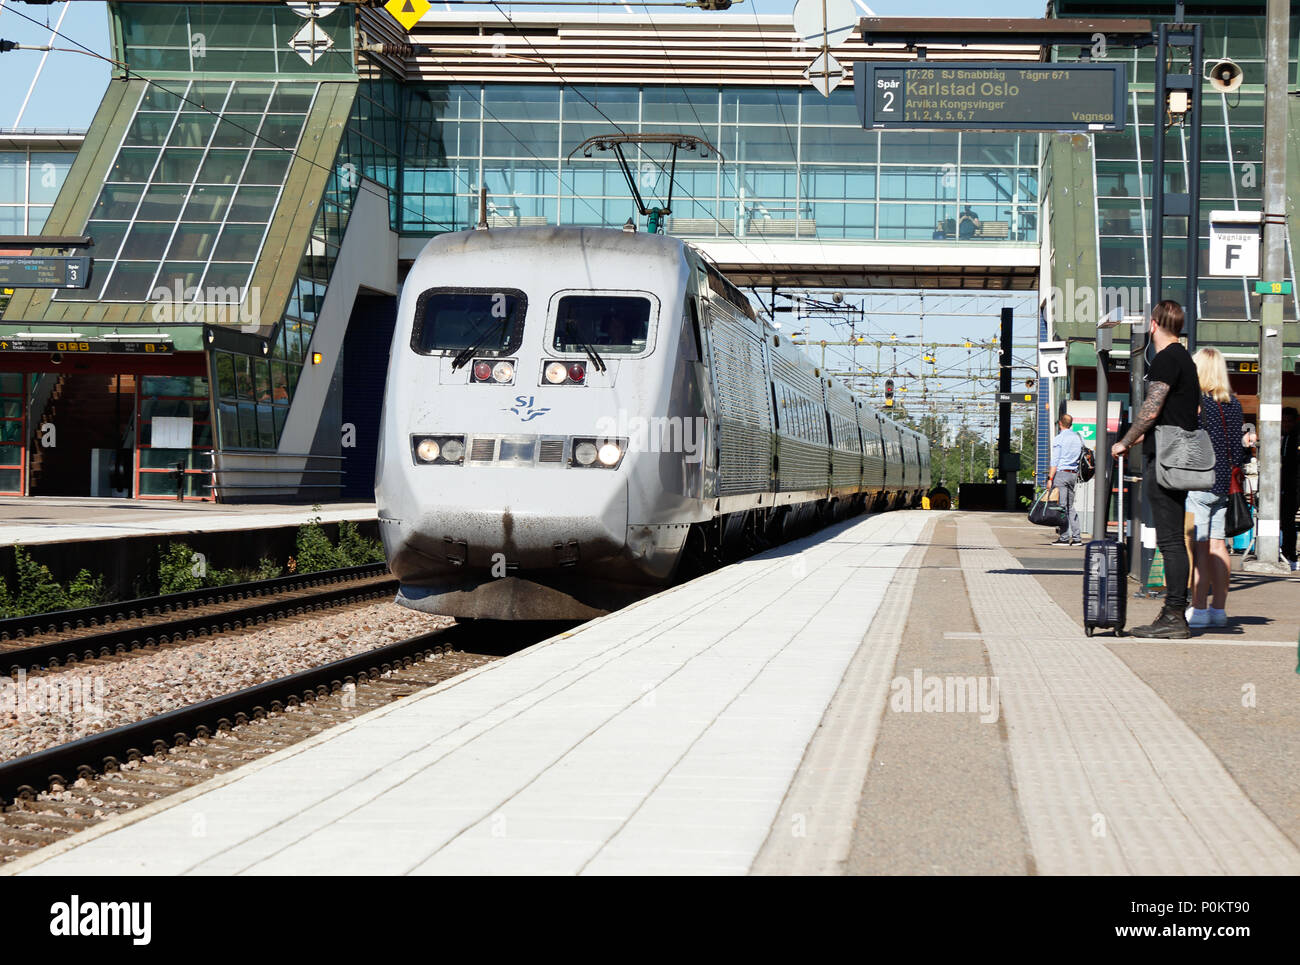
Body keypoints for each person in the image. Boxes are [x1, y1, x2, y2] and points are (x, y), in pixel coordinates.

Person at [1111, 300, 1200, 639]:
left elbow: (1151, 409)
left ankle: (1174, 615)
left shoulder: (1166, 360)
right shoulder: (1186, 360)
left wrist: (1125, 441)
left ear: (1153, 325)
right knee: (1174, 538)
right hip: (1178, 456)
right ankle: (1175, 612)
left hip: (1164, 458)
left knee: (1171, 540)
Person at [1185, 347, 1244, 628]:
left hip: (1199, 481)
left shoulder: (1195, 404)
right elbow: (1238, 450)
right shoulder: (1233, 404)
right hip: (1225, 484)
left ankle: (1198, 609)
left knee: (1200, 549)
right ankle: (1219, 610)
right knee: (1220, 546)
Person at [1047, 413, 1083, 545]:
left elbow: (1055, 460)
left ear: (1060, 423)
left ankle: (1063, 538)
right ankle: (1077, 537)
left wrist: (1050, 478)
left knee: (1061, 507)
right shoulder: (1078, 438)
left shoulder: (1059, 438)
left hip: (1061, 474)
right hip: (1073, 475)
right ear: (1071, 424)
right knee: (1070, 506)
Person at [1281, 407, 1298, 566]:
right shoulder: (1284, 436)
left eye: (1288, 421)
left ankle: (1290, 555)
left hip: (1294, 484)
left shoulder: (1295, 437)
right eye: (1283, 421)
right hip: (1287, 484)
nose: (1285, 424)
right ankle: (1287, 552)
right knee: (1286, 520)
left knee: (1288, 520)